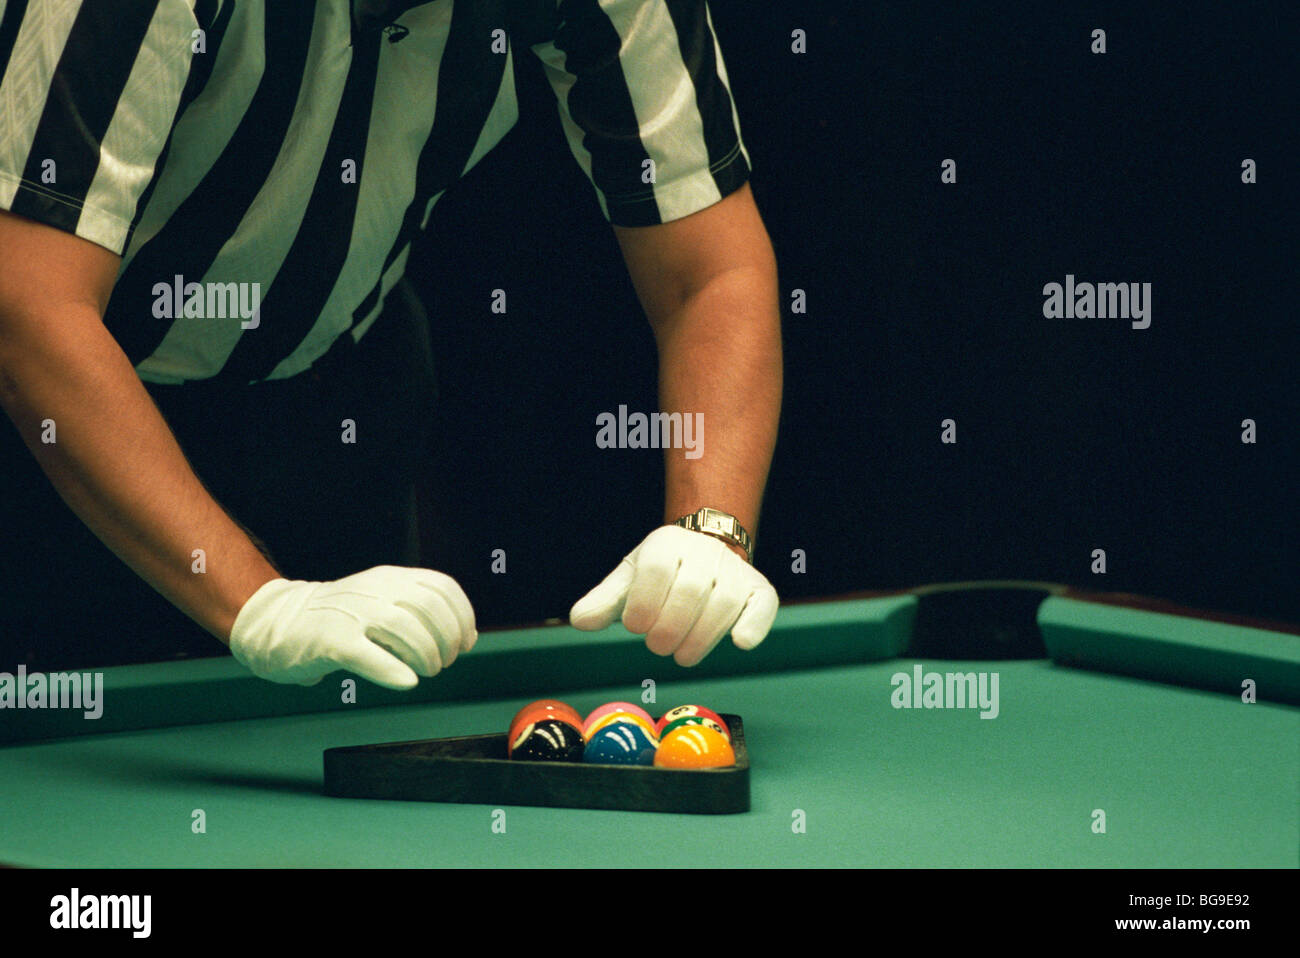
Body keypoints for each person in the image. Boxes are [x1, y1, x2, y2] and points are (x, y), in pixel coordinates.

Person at [0, 0, 781, 686]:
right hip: (51, 424)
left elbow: (707, 275)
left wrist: (711, 528)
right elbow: (30, 308)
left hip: (332, 405)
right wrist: (261, 604)